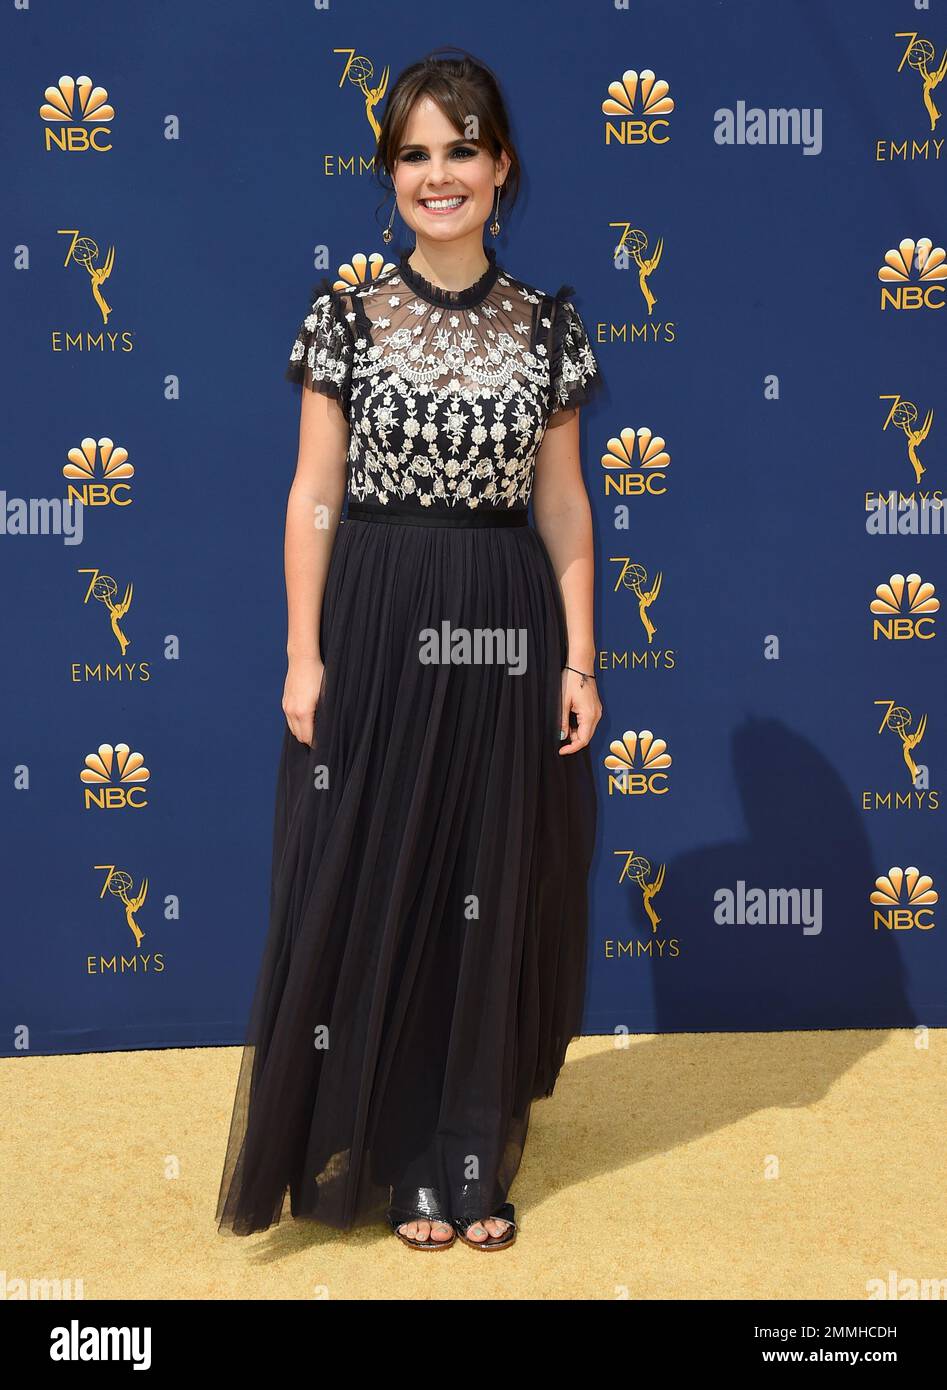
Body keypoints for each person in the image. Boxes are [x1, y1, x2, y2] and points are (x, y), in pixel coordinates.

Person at [216, 48, 604, 1253]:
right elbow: (312, 492)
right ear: (390, 172)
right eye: (413, 154)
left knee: (487, 894)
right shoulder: (343, 316)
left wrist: (579, 660)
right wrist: (302, 652)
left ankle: (463, 1161)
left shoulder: (548, 326)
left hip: (500, 619)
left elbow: (564, 506)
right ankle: (380, 1153)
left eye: (459, 150)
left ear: (500, 167)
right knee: (373, 881)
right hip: (377, 618)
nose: (438, 175)